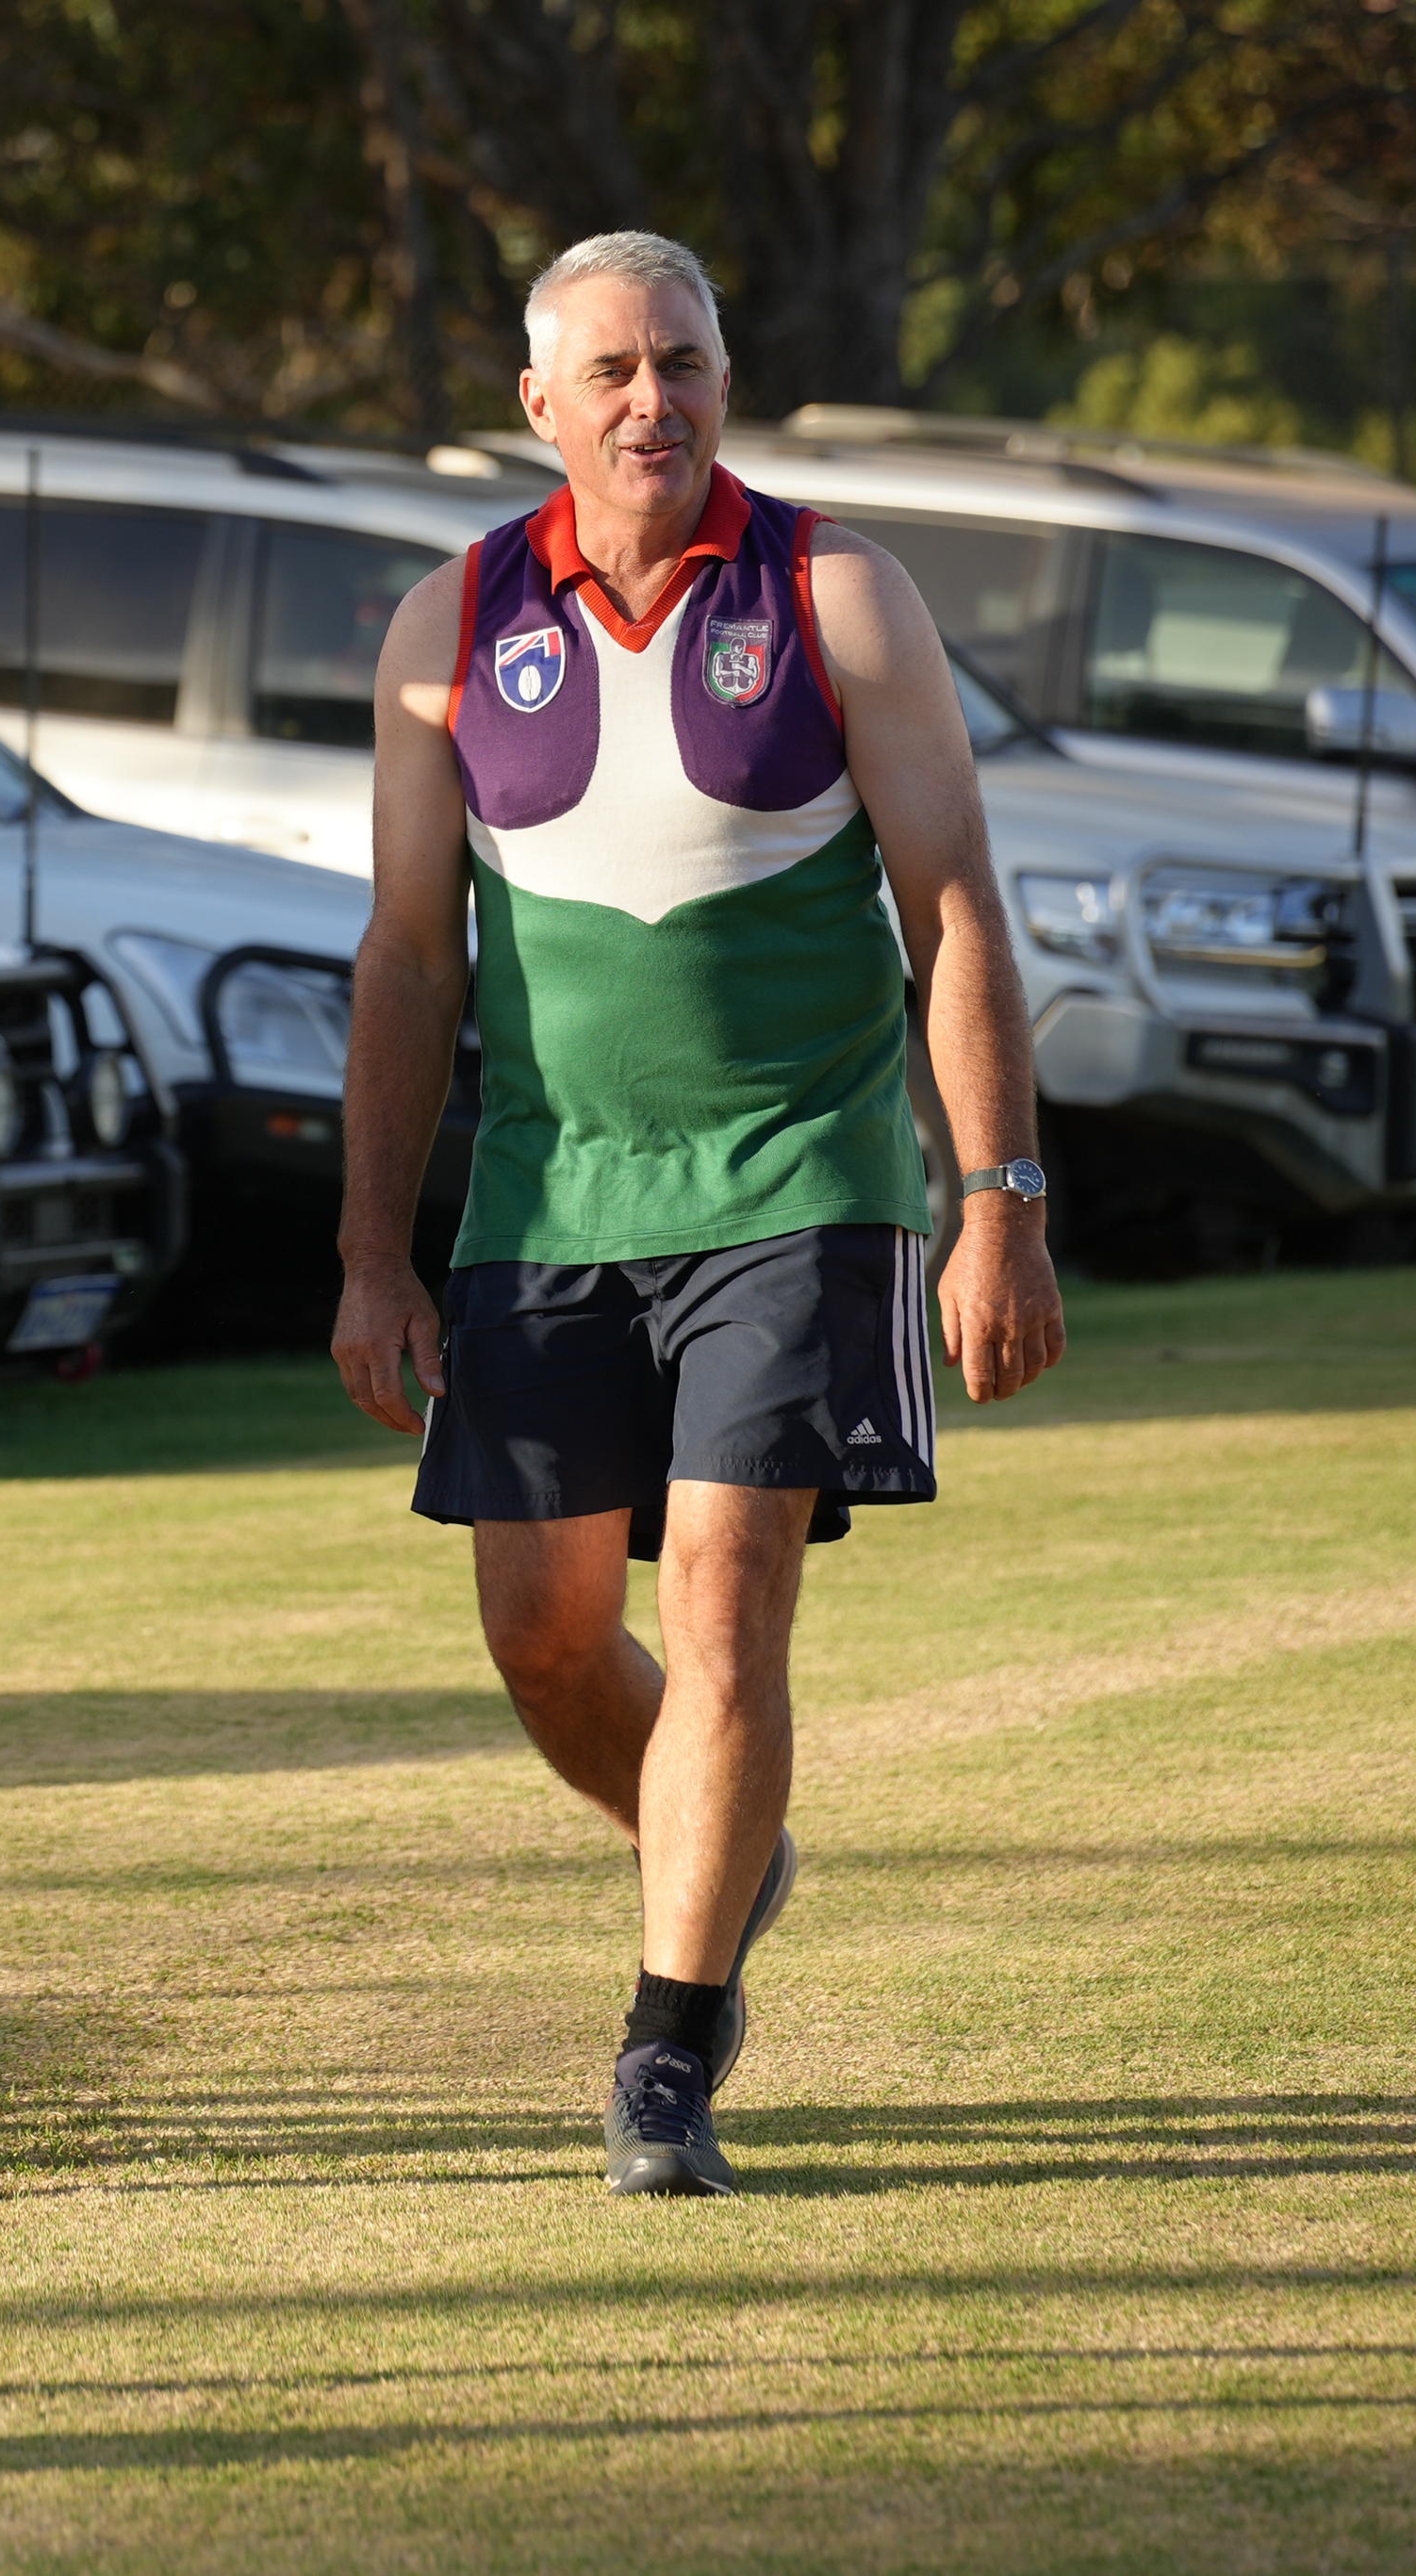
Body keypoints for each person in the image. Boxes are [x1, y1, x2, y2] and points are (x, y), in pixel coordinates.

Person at [331, 231, 1066, 2197]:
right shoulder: (448, 620)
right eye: (613, 370)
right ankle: (724, 1847)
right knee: (541, 1636)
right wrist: (373, 1252)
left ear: (724, 381)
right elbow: (407, 956)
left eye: (683, 361)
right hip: (543, 1196)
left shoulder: (836, 590)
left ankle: (666, 2047)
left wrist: (998, 1196)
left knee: (726, 1597)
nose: (652, 399)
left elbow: (954, 908)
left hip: (800, 1180)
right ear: (540, 405)